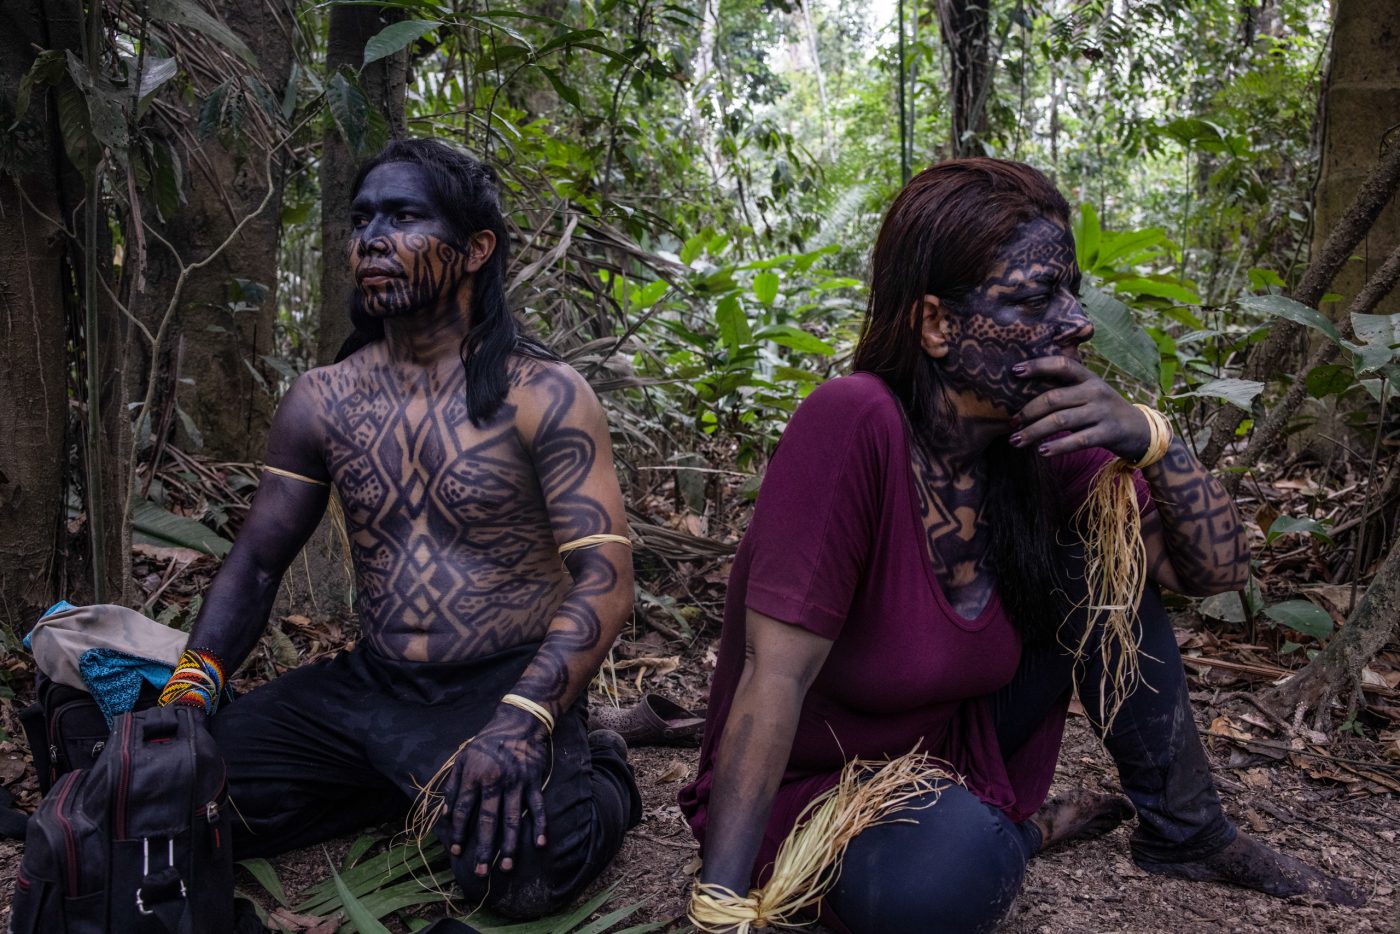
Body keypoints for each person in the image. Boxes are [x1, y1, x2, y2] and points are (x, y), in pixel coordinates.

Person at [678, 159, 1364, 933]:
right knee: (938, 887)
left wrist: (1152, 440)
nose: (1076, 322)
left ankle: (1187, 832)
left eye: (1071, 293)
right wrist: (722, 900)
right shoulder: (855, 421)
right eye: (1037, 297)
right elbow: (771, 679)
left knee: (1102, 559)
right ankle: (1020, 834)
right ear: (937, 324)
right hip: (821, 789)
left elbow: (1216, 576)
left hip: (953, 748)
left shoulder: (1042, 438)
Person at [156, 138, 641, 919]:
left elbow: (606, 580)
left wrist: (524, 722)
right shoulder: (323, 399)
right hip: (368, 689)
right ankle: (401, 784)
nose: (372, 239)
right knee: (171, 799)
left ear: (477, 247)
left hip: (501, 685)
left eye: (404, 216)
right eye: (361, 220)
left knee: (521, 877)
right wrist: (188, 691)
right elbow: (254, 563)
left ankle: (603, 770)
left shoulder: (543, 393)